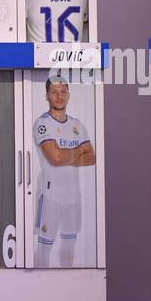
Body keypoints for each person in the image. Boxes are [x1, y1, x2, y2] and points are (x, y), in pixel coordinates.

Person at [32, 74, 95, 269]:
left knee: (69, 247)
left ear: (68, 95)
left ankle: (66, 289)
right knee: (44, 248)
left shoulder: (77, 125)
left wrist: (65, 153)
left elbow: (91, 158)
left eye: (62, 92)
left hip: (73, 197)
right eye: (54, 92)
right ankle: (40, 288)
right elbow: (55, 158)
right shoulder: (42, 123)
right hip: (50, 196)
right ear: (47, 96)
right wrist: (78, 151)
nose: (59, 96)